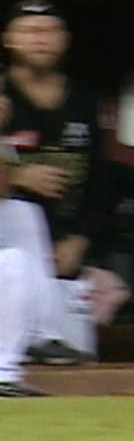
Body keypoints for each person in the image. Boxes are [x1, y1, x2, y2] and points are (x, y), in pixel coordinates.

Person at [2, 0, 102, 366]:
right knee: (19, 235)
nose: (40, 39)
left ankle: (44, 334)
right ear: (8, 38)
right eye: (29, 30)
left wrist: (81, 237)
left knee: (76, 369)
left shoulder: (83, 99)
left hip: (60, 257)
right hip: (10, 259)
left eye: (48, 30)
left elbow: (101, 177)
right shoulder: (3, 96)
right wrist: (17, 175)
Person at [0, 142, 54, 397]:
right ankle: (2, 374)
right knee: (13, 261)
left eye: (9, 169)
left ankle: (39, 337)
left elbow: (39, 274)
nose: (6, 176)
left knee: (17, 260)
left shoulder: (21, 212)